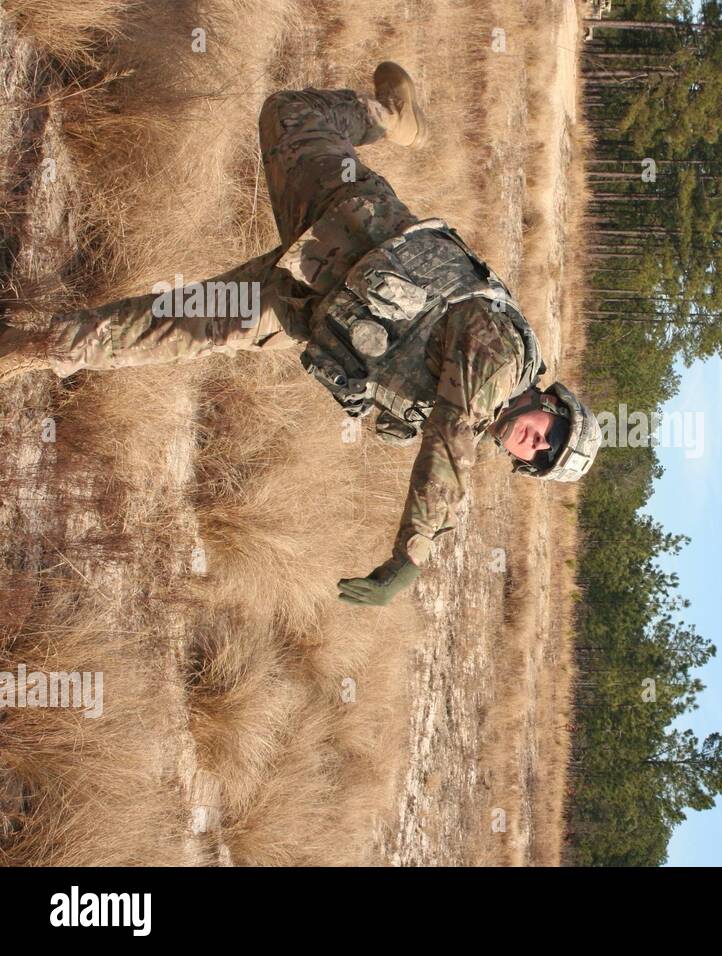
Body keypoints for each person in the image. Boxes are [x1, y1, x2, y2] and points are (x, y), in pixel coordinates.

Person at [0, 63, 601, 606]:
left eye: (540, 459)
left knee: (167, 328)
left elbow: (423, 410)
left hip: (297, 300)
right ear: (551, 404)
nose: (535, 444)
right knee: (287, 114)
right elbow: (448, 444)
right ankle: (388, 118)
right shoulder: (500, 360)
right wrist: (411, 558)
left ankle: (32, 349)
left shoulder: (454, 412)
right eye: (552, 435)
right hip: (340, 215)